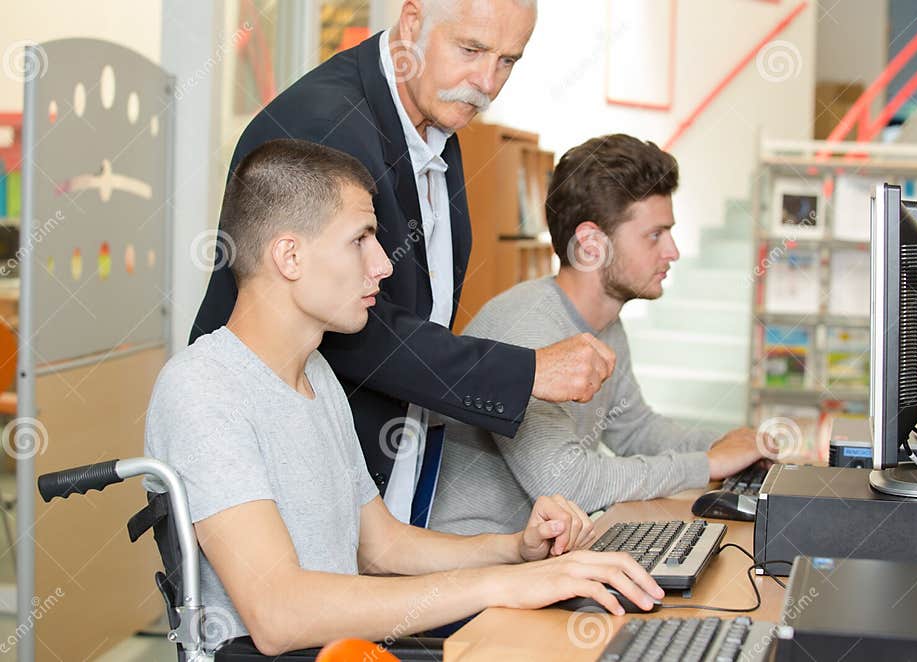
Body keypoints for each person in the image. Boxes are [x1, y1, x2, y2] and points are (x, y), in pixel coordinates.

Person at [146, 140, 663, 654]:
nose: (383, 265)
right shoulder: (203, 389)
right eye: (360, 240)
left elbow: (382, 547)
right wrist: (503, 585)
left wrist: (517, 552)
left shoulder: (316, 375)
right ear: (290, 256)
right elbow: (280, 612)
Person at [189, 0, 616, 523]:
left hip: (388, 465)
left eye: (508, 60)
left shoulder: (434, 114)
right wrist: (524, 372)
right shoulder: (324, 123)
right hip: (289, 466)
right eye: (472, 49)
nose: (486, 81)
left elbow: (420, 305)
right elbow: (350, 323)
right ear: (412, 22)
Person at [429, 135, 766, 536]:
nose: (673, 251)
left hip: (539, 554)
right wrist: (708, 464)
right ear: (591, 245)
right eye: (655, 235)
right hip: (479, 567)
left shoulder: (605, 322)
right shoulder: (526, 328)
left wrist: (734, 446)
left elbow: (636, 430)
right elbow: (569, 480)